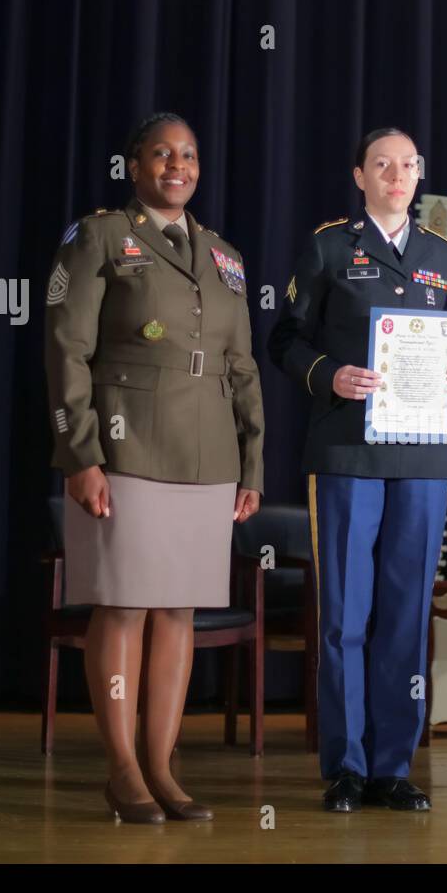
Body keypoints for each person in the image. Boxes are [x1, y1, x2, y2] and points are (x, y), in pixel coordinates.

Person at [44, 112, 264, 824]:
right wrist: (79, 453)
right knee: (125, 605)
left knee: (178, 611)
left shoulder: (224, 255)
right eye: (163, 153)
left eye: (190, 154)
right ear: (133, 165)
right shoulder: (102, 235)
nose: (179, 165)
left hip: (207, 457)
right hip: (126, 446)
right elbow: (65, 348)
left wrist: (252, 464)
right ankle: (123, 770)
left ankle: (163, 766)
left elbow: (243, 368)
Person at [267, 127, 447, 812]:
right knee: (345, 616)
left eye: (407, 164)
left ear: (421, 175)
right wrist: (330, 375)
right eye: (381, 164)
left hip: (423, 454)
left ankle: (394, 764)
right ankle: (347, 765)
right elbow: (285, 338)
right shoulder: (331, 245)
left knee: (407, 614)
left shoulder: (441, 253)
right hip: (347, 451)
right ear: (360, 176)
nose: (396, 174)